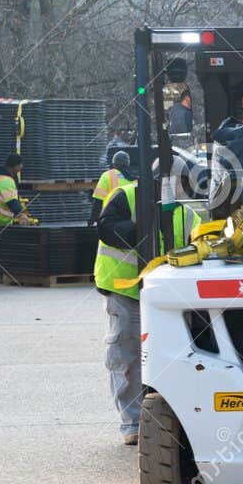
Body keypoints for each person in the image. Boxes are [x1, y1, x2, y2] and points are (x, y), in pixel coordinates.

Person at [93, 164, 197, 445]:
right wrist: (144, 228)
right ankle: (134, 423)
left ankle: (173, 420)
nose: (182, 188)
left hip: (166, 295)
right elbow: (106, 229)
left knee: (172, 356)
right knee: (127, 354)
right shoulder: (125, 196)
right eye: (179, 181)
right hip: (124, 289)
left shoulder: (186, 212)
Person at [90, 150, 135, 226]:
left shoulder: (107, 175)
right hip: (132, 220)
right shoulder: (135, 178)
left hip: (112, 220)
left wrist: (93, 219)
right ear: (128, 163)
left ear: (114, 163)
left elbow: (98, 201)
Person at [0, 156, 35, 226]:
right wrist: (21, 215)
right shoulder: (6, 180)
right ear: (14, 165)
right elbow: (11, 201)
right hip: (2, 220)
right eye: (20, 164)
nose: (21, 167)